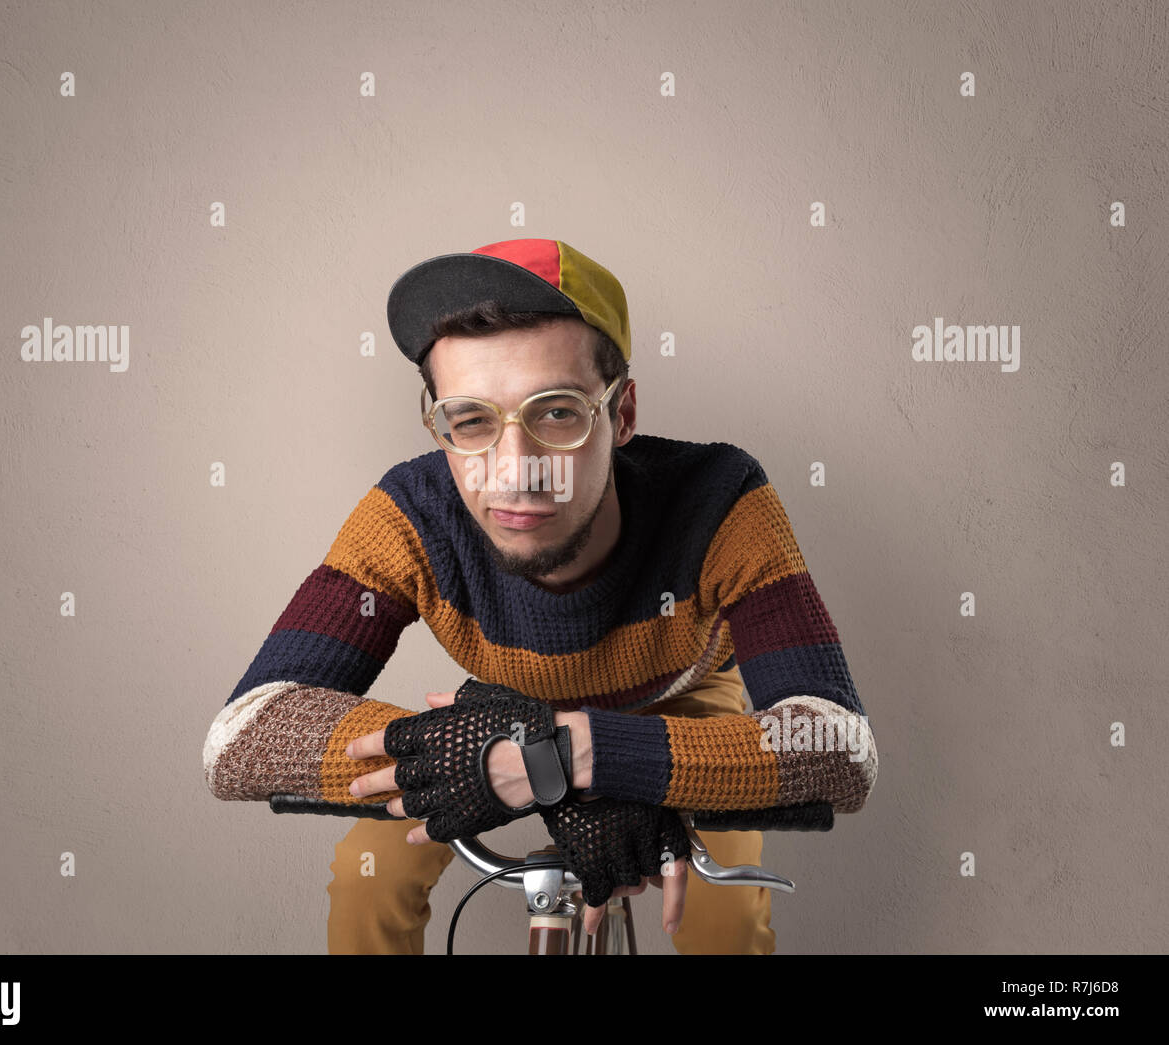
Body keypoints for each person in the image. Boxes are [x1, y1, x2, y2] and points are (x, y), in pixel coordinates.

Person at [203, 237, 878, 954]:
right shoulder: (408, 514)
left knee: (724, 917)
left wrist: (576, 756)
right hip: (500, 711)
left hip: (678, 709)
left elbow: (839, 743)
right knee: (366, 880)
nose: (515, 473)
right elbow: (240, 733)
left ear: (621, 414)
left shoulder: (720, 500)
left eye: (557, 413)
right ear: (440, 424)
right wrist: (501, 744)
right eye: (471, 420)